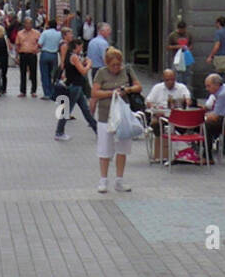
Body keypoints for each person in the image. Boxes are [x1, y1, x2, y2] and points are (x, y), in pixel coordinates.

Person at [90, 48, 141, 193]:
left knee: (122, 148)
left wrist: (127, 90)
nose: (116, 68)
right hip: (105, 116)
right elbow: (94, 92)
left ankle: (119, 180)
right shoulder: (101, 73)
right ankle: (103, 180)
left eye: (118, 64)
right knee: (104, 148)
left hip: (123, 116)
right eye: (113, 65)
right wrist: (111, 93)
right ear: (107, 63)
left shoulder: (127, 71)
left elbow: (138, 86)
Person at [53, 37, 96, 139]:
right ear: (76, 47)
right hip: (75, 86)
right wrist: (89, 64)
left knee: (85, 110)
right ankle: (59, 132)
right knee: (67, 110)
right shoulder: (74, 57)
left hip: (76, 86)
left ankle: (97, 129)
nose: (81, 49)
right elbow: (83, 71)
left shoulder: (69, 56)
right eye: (80, 47)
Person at [144, 69, 191, 161]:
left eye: (172, 79)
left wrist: (182, 102)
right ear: (163, 79)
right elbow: (148, 101)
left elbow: (188, 100)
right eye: (167, 80)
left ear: (175, 78)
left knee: (183, 125)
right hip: (161, 115)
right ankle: (162, 146)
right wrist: (154, 107)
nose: (170, 82)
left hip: (177, 117)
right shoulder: (157, 88)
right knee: (155, 124)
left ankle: (178, 148)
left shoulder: (181, 87)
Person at [37, 19, 63, 99]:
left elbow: (40, 44)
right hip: (54, 55)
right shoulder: (59, 34)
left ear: (48, 25)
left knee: (44, 74)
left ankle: (46, 93)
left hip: (45, 54)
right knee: (53, 75)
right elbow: (61, 44)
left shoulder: (45, 33)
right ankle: (52, 92)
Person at [15, 17, 39, 98]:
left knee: (33, 73)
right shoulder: (20, 33)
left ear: (32, 24)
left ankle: (33, 90)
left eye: (30, 23)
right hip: (23, 54)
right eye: (26, 23)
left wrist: (37, 50)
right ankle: (23, 91)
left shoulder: (36, 33)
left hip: (32, 54)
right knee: (23, 73)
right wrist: (17, 57)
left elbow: (40, 43)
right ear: (24, 24)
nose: (28, 25)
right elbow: (17, 45)